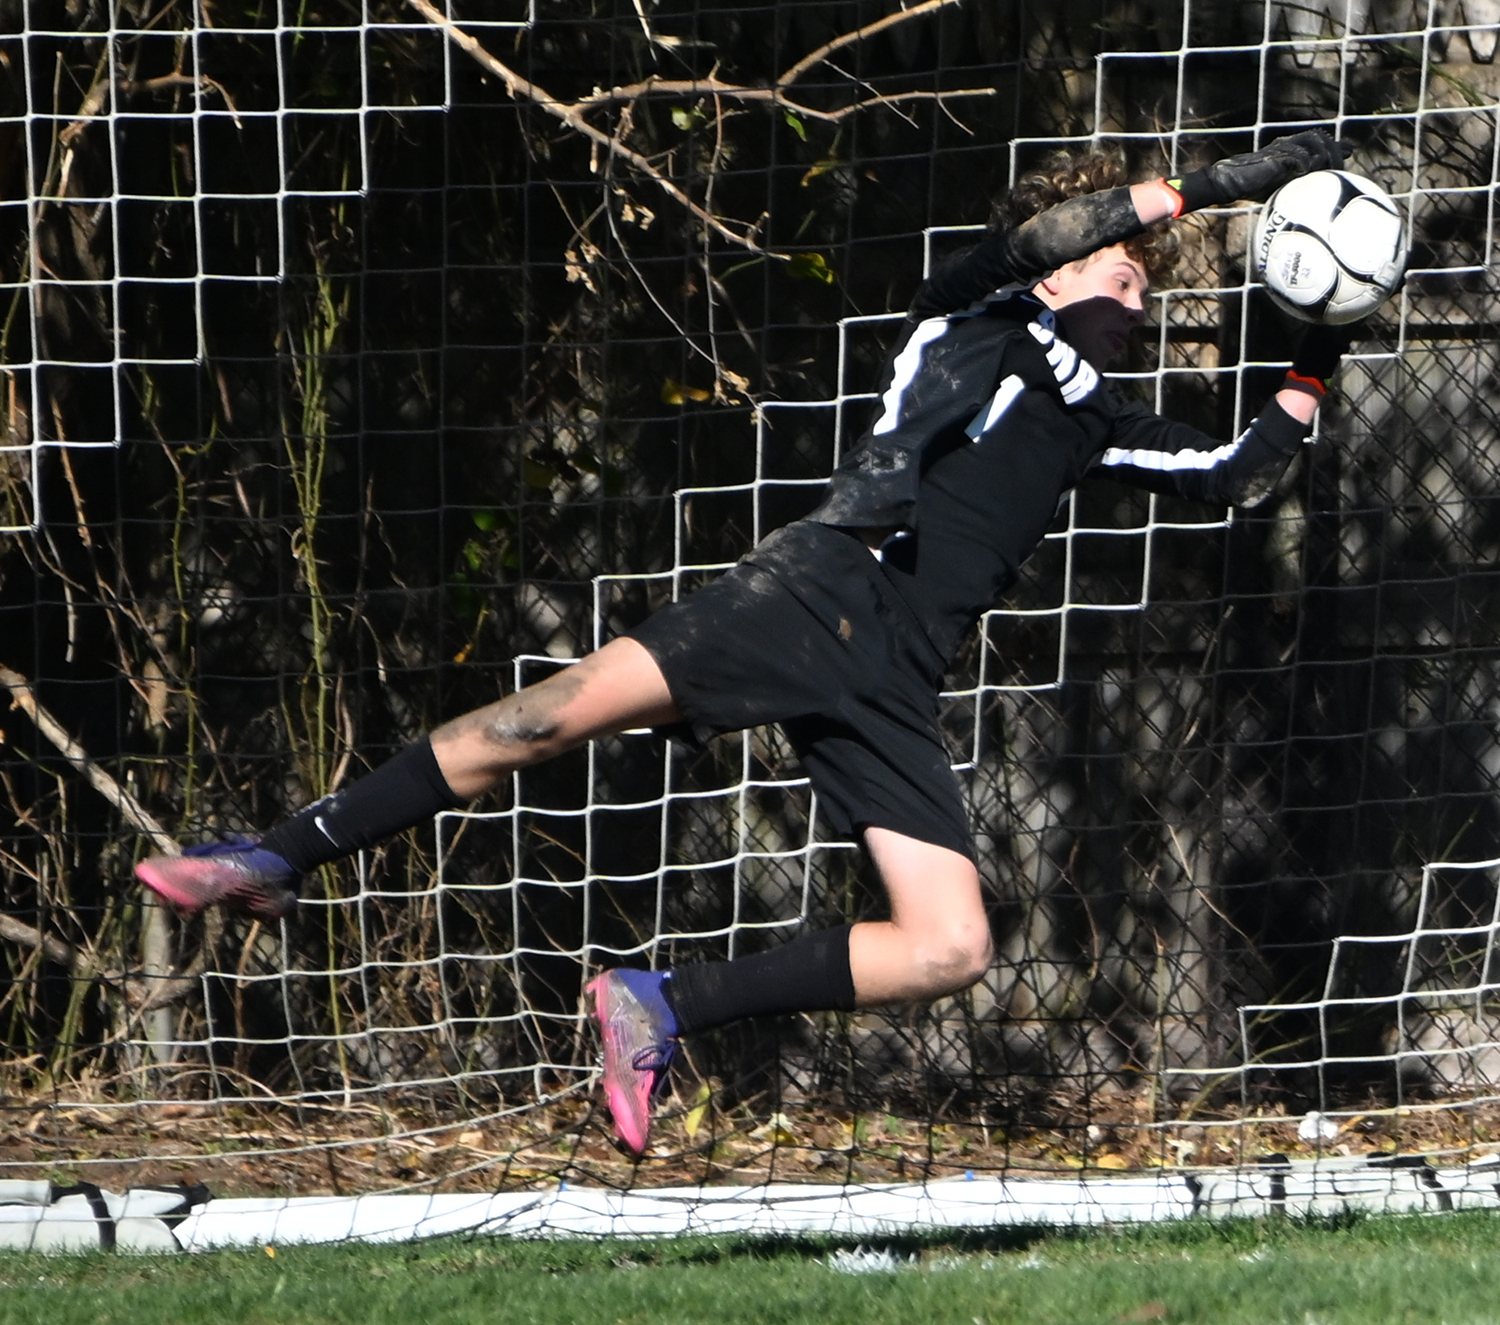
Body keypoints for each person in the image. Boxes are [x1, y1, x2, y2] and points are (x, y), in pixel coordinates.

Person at [136, 130, 1353, 1155]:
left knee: (951, 943)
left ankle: (658, 1004)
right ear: (1064, 271)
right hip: (810, 590)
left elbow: (1242, 472)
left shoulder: (1099, 422)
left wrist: (1323, 328)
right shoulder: (972, 316)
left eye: (1147, 277)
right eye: (1126, 269)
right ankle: (279, 854)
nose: (1141, 290)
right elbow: (1038, 240)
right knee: (538, 721)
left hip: (892, 677)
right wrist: (1218, 184)